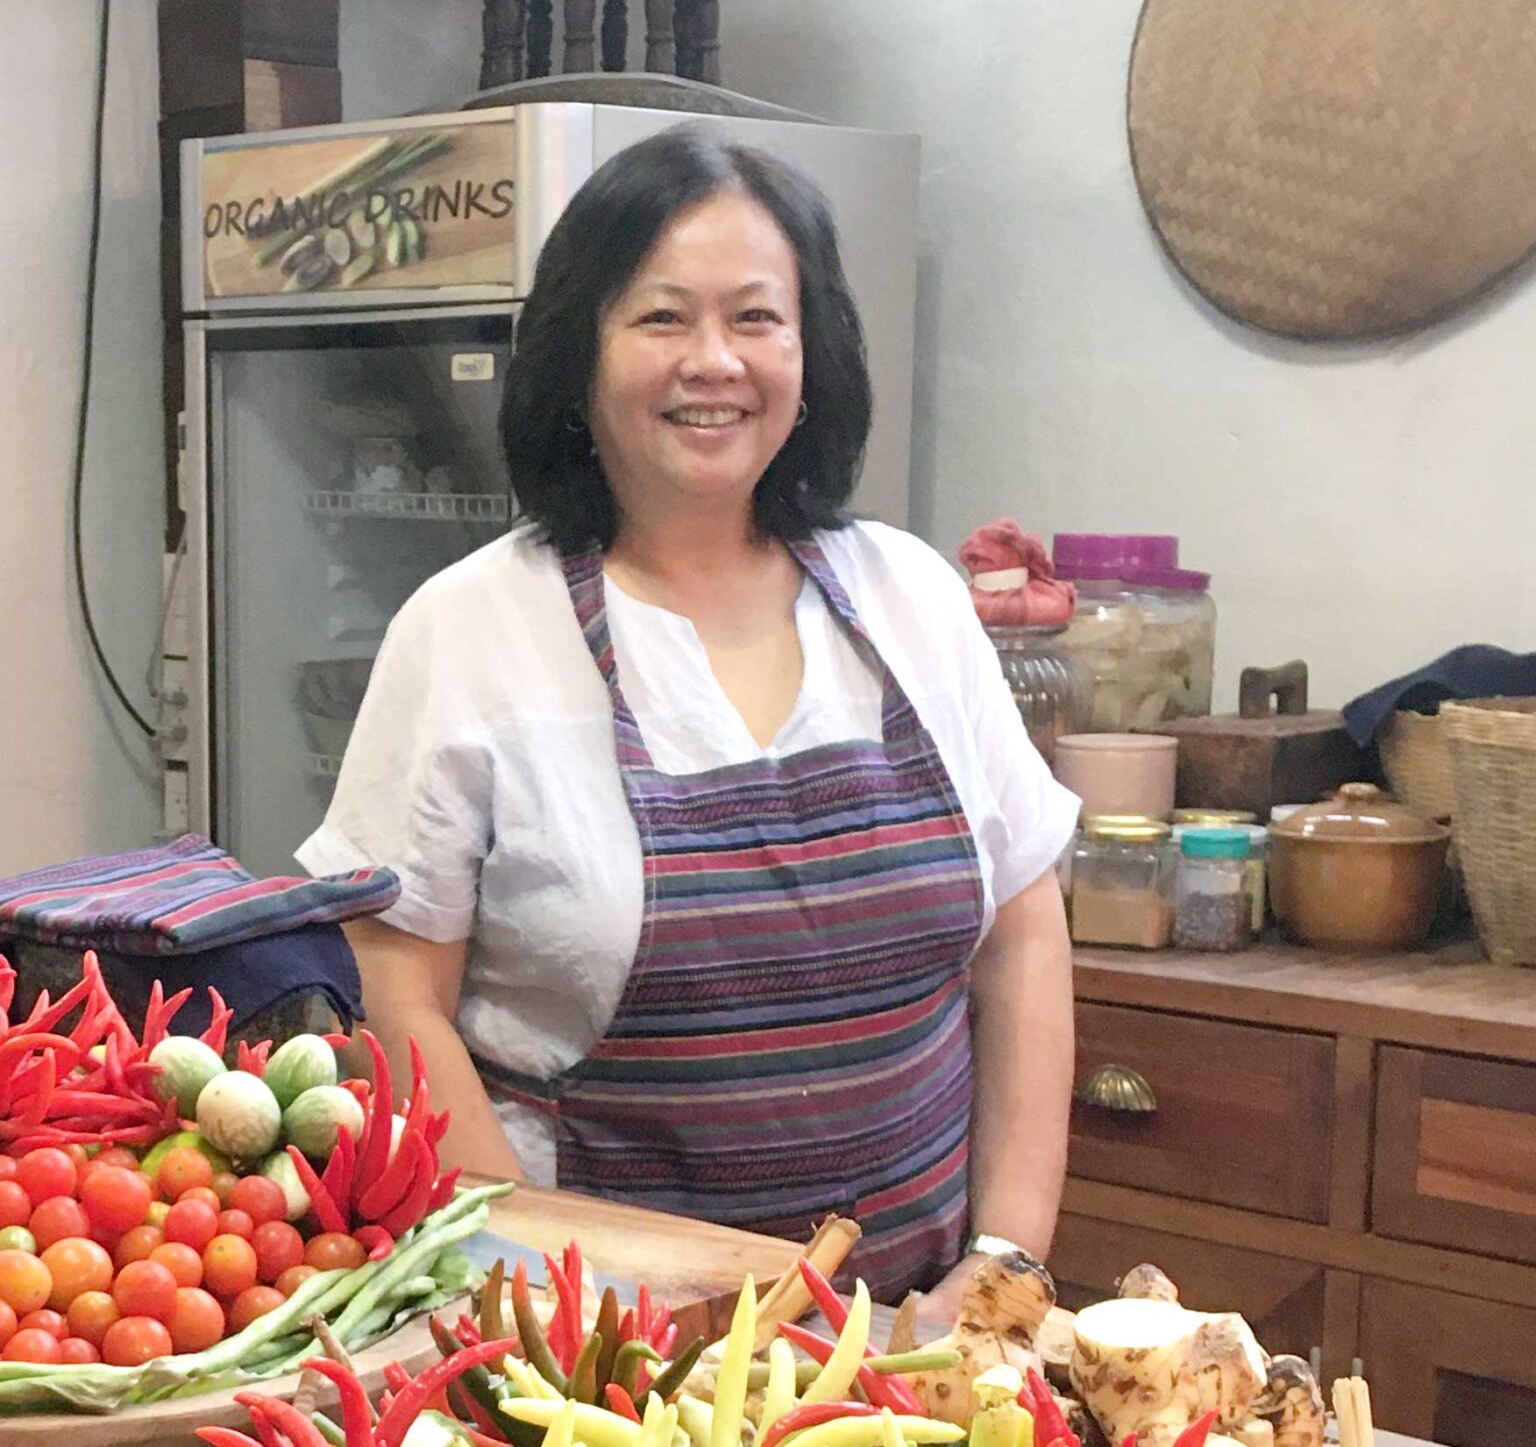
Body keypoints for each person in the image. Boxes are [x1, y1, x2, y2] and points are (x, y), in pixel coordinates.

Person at [296, 125, 1079, 1311]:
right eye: (662, 318)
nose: (714, 360)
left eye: (757, 318)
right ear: (579, 353)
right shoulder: (471, 631)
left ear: (811, 352)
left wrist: (1007, 1267)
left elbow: (1021, 934)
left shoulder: (908, 596)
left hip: (925, 1342)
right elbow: (398, 1002)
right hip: (603, 1360)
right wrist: (562, 1309)